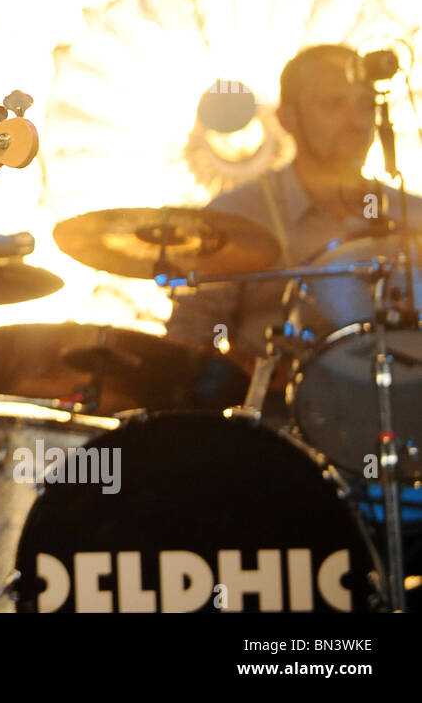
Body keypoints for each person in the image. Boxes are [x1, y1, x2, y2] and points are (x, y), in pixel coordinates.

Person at [166, 44, 422, 606]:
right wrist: (241, 363)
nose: (357, 121)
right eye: (334, 104)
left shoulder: (412, 217)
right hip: (281, 458)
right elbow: (189, 340)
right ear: (286, 117)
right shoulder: (237, 215)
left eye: (363, 104)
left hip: (407, 453)